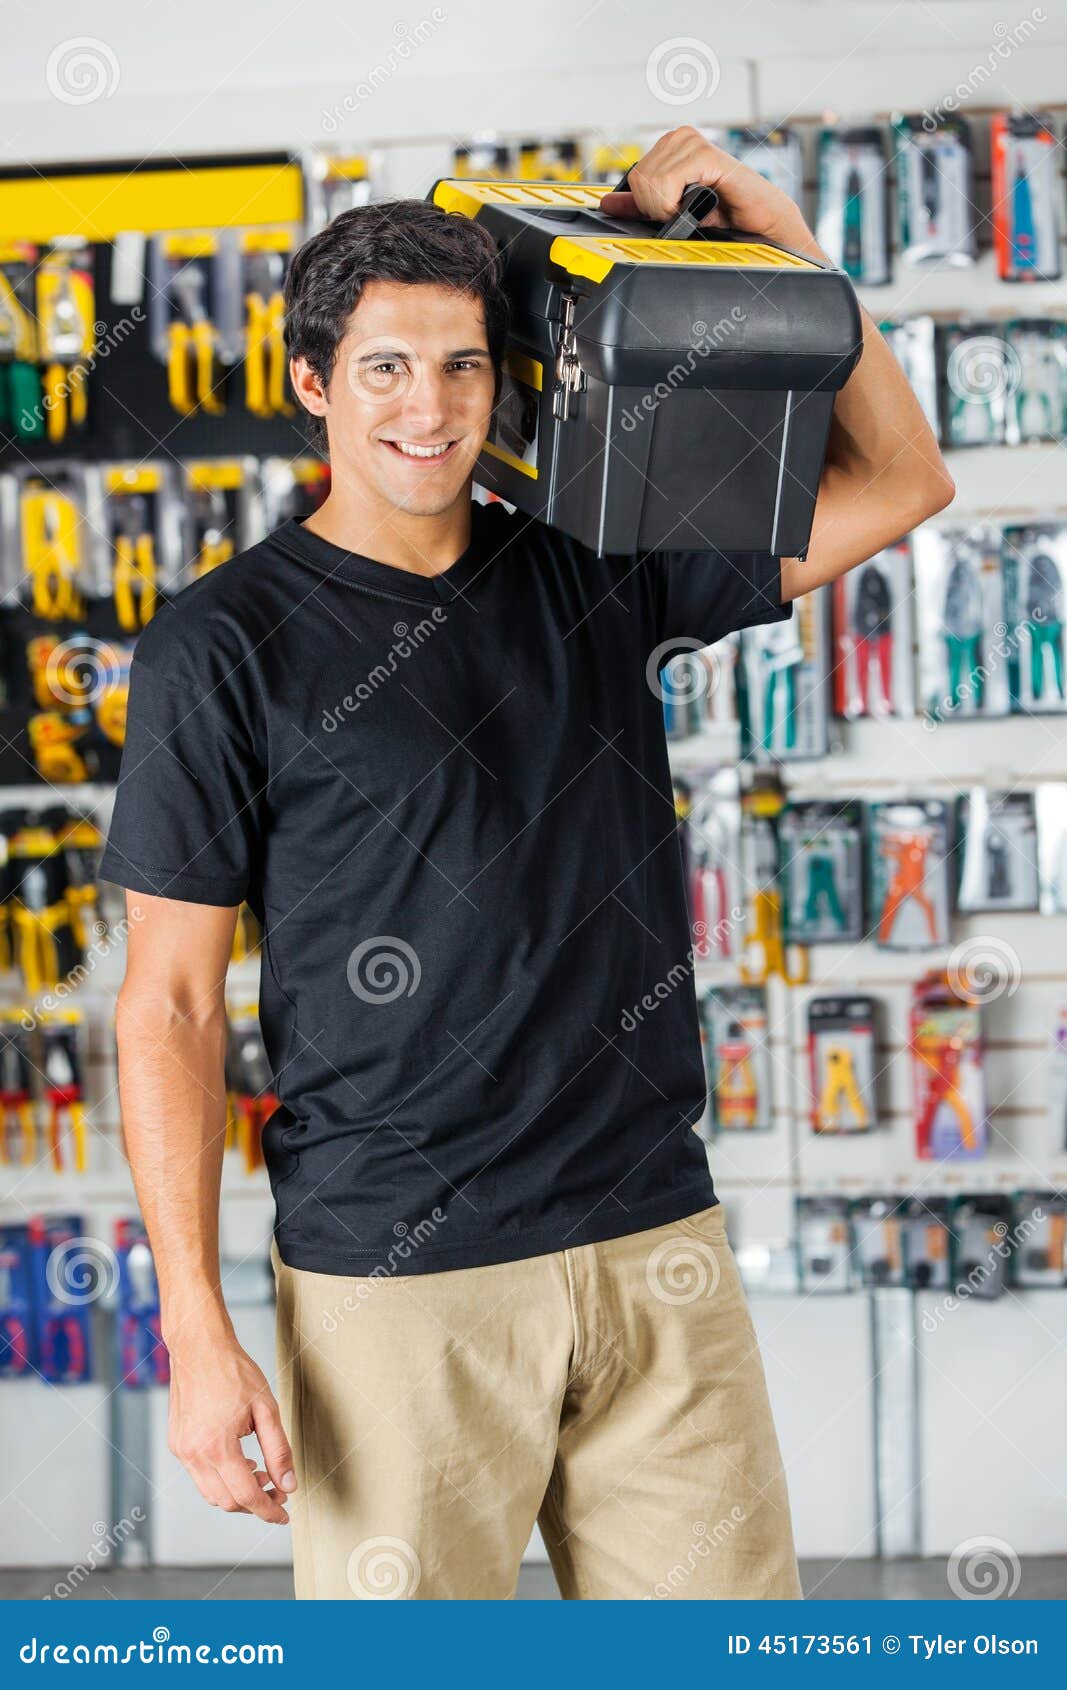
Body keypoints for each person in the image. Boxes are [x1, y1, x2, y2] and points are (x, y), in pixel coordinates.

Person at [103, 126, 954, 1600]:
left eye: (462, 365)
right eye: (385, 368)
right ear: (314, 385)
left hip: (655, 1244)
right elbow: (167, 1007)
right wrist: (195, 1325)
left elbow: (903, 481)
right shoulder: (219, 645)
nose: (429, 408)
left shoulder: (595, 560)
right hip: (398, 1280)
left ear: (508, 382)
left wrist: (798, 258)